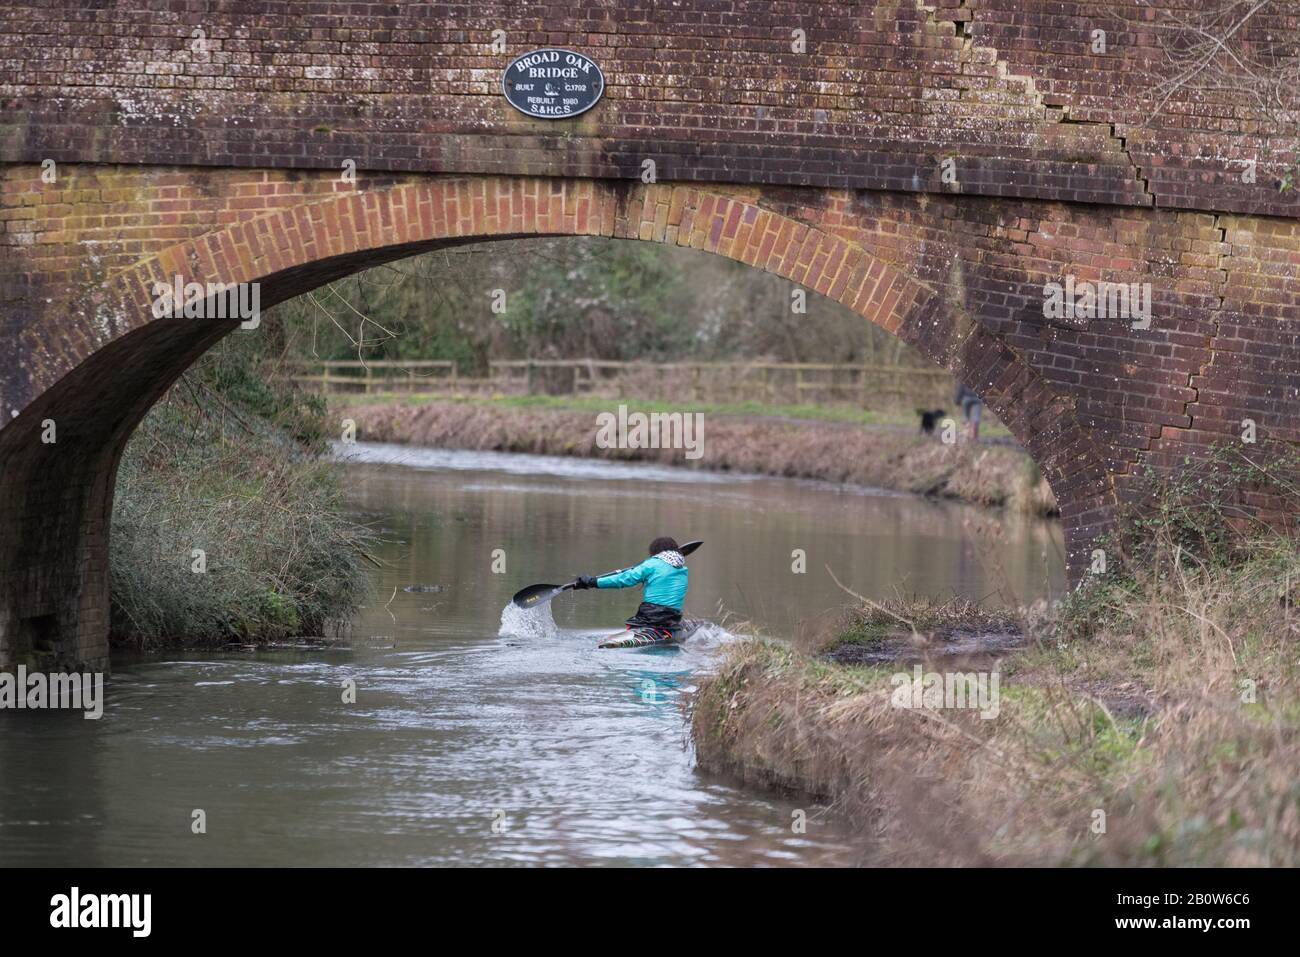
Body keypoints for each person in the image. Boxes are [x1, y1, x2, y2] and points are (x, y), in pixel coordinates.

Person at [573, 536, 689, 633]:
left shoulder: (651, 564)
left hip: (651, 615)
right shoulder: (683, 569)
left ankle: (643, 631)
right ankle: (667, 631)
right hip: (673, 617)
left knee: (633, 626)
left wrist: (593, 582)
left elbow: (624, 579)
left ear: (655, 551)